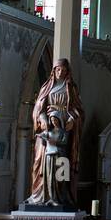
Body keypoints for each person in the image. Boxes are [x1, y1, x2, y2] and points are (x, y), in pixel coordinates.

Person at [27, 58, 84, 209]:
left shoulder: (71, 88)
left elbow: (78, 109)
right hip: (46, 132)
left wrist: (73, 118)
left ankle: (60, 195)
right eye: (58, 70)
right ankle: (41, 195)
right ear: (53, 71)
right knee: (41, 164)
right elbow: (38, 108)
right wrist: (42, 118)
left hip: (63, 130)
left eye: (64, 70)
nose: (61, 72)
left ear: (68, 72)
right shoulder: (46, 87)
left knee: (62, 164)